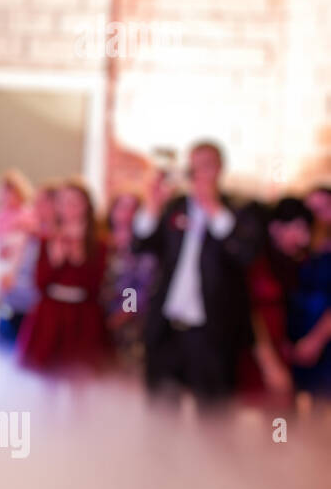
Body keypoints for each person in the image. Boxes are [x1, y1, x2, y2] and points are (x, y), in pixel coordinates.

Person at [132, 141, 260, 404]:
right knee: (160, 412)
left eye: (206, 166)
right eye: (194, 167)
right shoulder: (176, 207)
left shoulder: (241, 209)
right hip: (168, 326)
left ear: (220, 168)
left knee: (212, 416)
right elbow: (141, 244)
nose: (198, 173)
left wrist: (213, 208)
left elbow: (244, 254)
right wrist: (153, 205)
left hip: (212, 332)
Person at [18, 179, 109, 373]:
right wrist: (55, 260)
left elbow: (97, 286)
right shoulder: (47, 239)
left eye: (74, 202)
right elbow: (39, 283)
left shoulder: (99, 243)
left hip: (83, 318)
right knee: (45, 377)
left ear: (87, 206)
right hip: (50, 316)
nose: (68, 208)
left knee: (80, 375)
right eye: (63, 201)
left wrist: (79, 256)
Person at [237, 197, 309, 402]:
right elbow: (252, 315)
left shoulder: (288, 264)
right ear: (276, 228)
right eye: (298, 229)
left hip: (280, 352)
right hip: (259, 355)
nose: (303, 239)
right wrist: (270, 364)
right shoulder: (258, 264)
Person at [102, 190, 156, 370]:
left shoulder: (142, 248)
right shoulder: (101, 242)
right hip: (94, 317)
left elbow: (138, 287)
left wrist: (122, 314)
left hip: (127, 324)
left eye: (133, 208)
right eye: (122, 206)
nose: (127, 213)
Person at [288, 186, 331, 396]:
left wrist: (316, 340)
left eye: (323, 208)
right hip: (297, 336)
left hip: (323, 339)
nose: (317, 216)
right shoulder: (301, 251)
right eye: (311, 209)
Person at [0, 170, 35, 345]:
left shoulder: (29, 215)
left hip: (24, 276)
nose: (8, 197)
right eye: (5, 192)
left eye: (12, 192)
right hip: (5, 271)